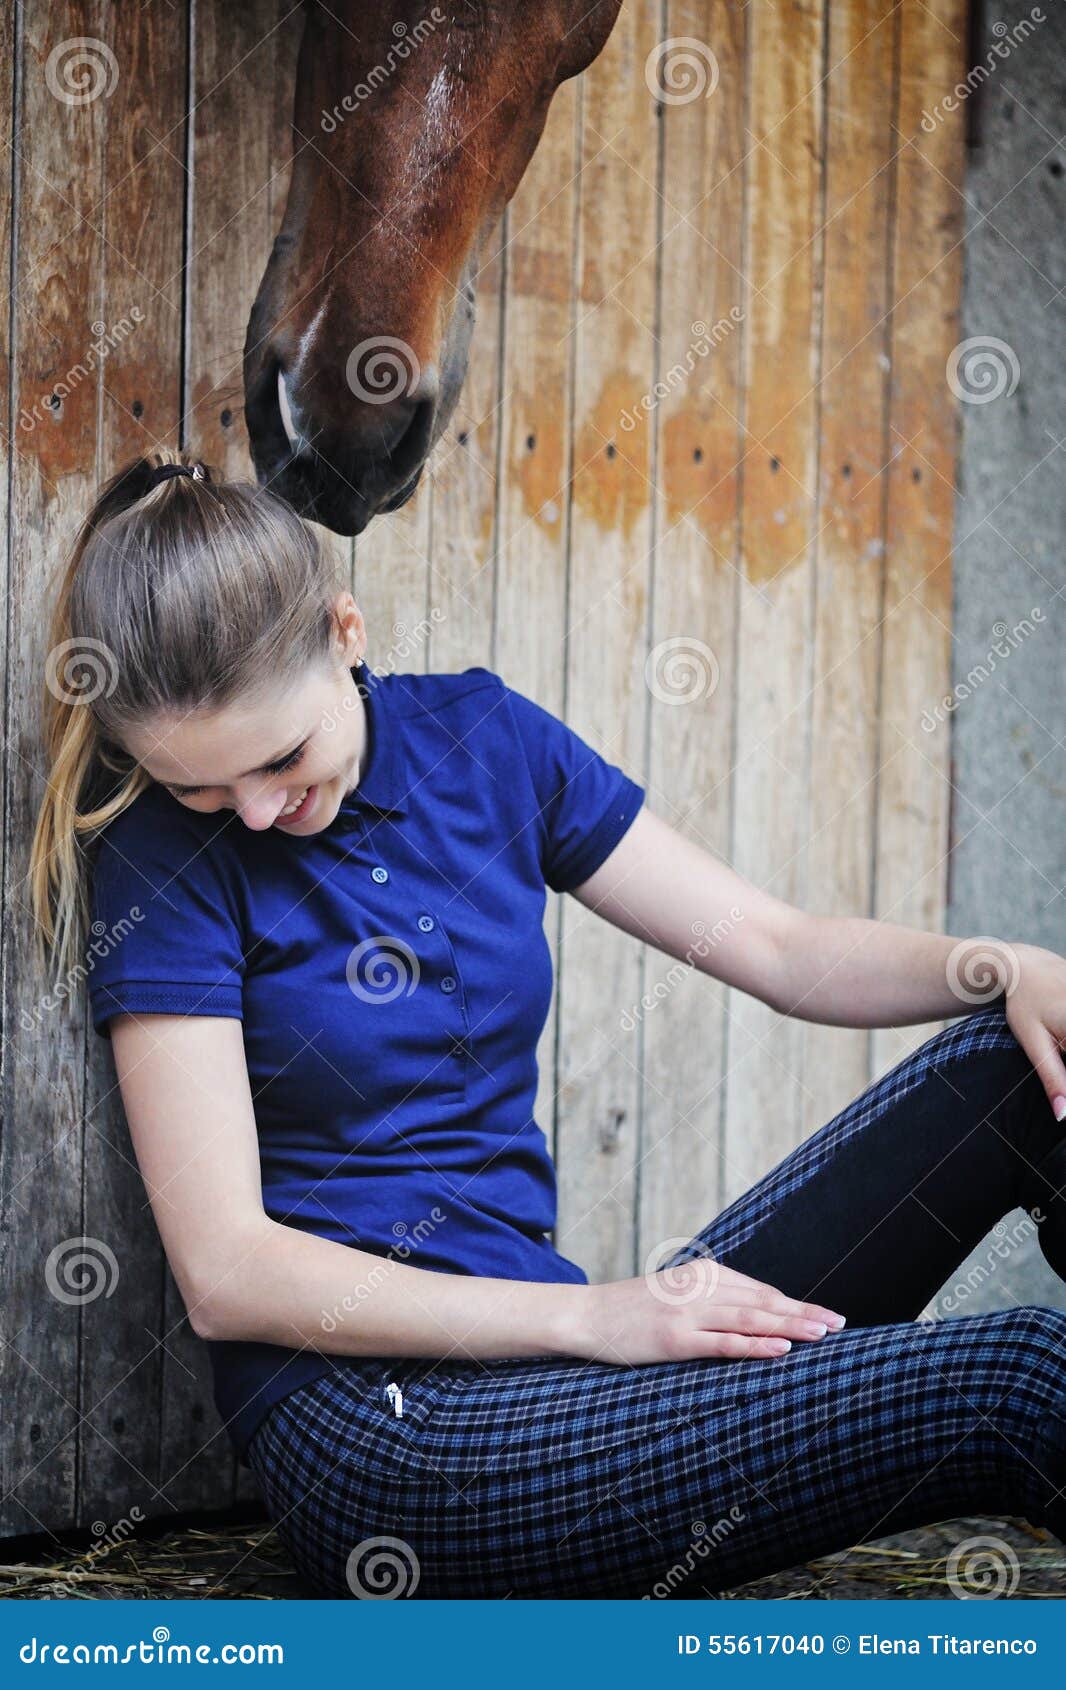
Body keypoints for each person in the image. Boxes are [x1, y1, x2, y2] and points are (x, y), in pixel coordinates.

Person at [30, 452, 1066, 1601]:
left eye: (280, 760)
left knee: (1013, 1060)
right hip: (387, 1437)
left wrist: (1003, 964)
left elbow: (775, 949)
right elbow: (226, 1272)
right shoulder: (158, 859)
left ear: (347, 630)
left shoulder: (486, 740)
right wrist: (597, 1316)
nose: (261, 813)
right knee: (1021, 1376)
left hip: (564, 1369)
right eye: (207, 789)